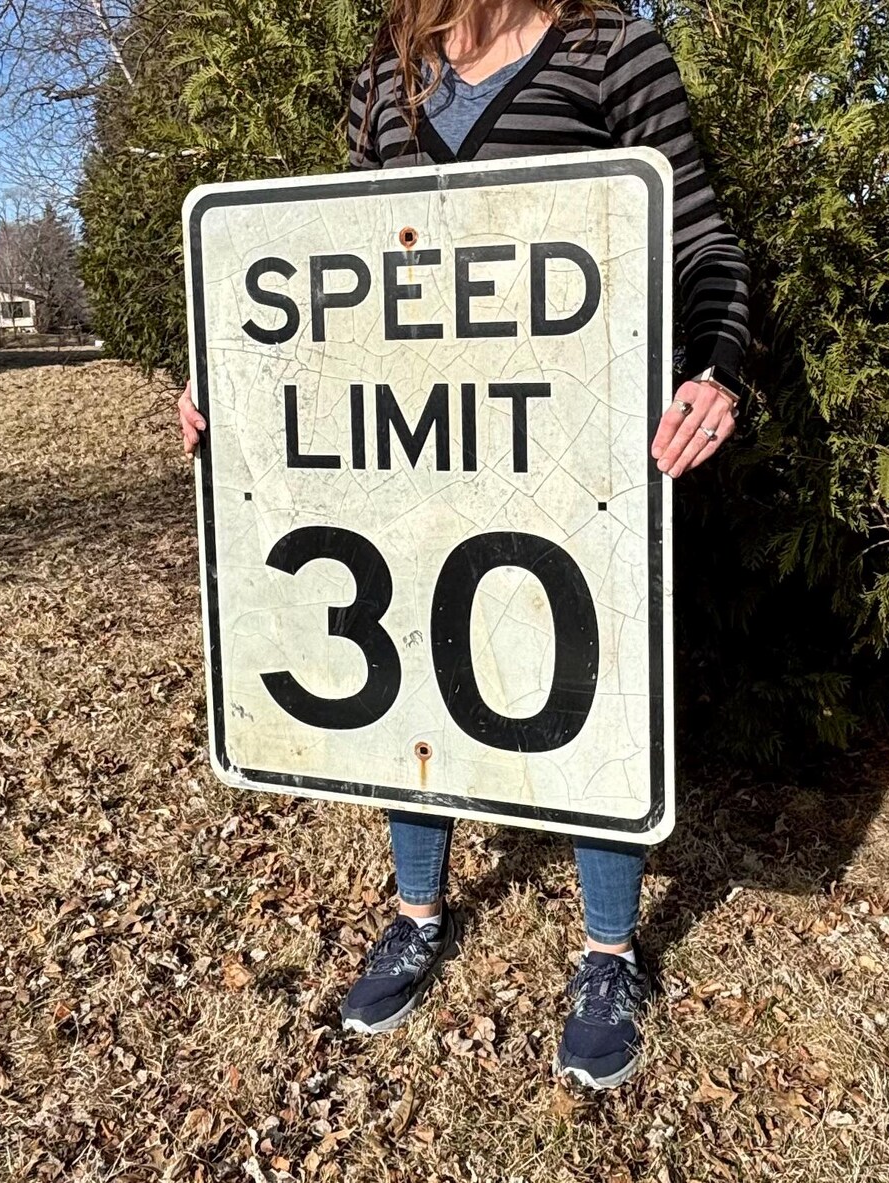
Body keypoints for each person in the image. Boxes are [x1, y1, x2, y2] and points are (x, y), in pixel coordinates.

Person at [178, 0, 749, 1091]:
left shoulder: (607, 50)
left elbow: (700, 238)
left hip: (568, 455)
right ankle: (415, 910)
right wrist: (235, 379)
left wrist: (714, 372)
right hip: (410, 452)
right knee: (407, 672)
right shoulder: (381, 79)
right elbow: (336, 267)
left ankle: (607, 953)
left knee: (585, 678)